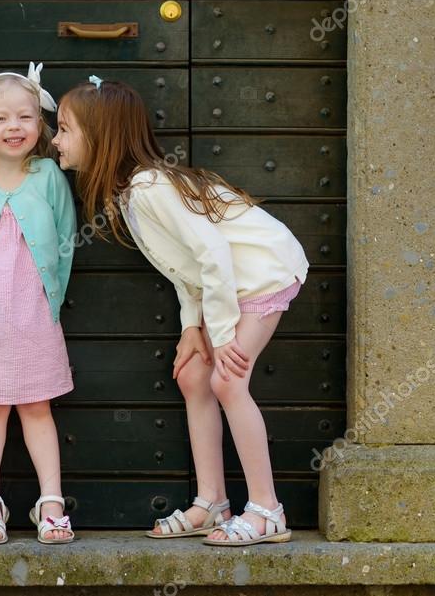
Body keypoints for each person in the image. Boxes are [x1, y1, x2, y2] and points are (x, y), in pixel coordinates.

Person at [51, 77, 308, 547]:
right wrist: (193, 328)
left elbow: (212, 252)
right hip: (230, 281)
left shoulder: (149, 187)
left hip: (264, 272)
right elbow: (184, 267)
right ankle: (213, 502)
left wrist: (225, 334)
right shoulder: (129, 193)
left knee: (229, 380)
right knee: (194, 374)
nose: (55, 140)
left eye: (64, 129)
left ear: (99, 135)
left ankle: (268, 510)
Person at [0, 63, 76, 545]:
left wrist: (52, 302)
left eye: (25, 117)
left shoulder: (47, 176)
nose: (14, 127)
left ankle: (51, 502)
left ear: (39, 125)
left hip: (35, 313)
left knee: (37, 406)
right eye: (0, 119)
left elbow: (66, 240)